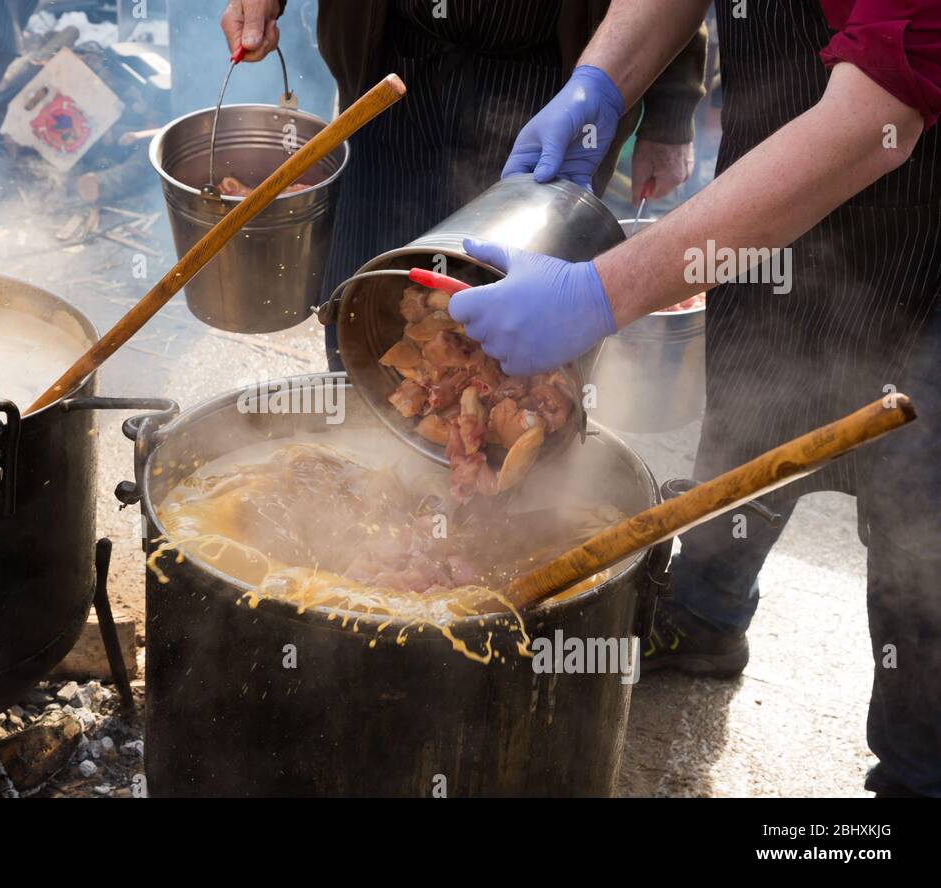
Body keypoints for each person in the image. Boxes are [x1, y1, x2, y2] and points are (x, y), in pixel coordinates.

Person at [457, 0, 941, 798]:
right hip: (785, 182)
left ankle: (917, 775)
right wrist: (598, 82)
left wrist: (600, 294)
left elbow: (870, 119)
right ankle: (706, 617)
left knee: (921, 525)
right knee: (754, 409)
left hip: (914, 210)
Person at [220, 0, 707, 369]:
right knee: (361, 300)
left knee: (516, 323)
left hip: (551, 81)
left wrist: (670, 112)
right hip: (393, 62)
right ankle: (360, 428)